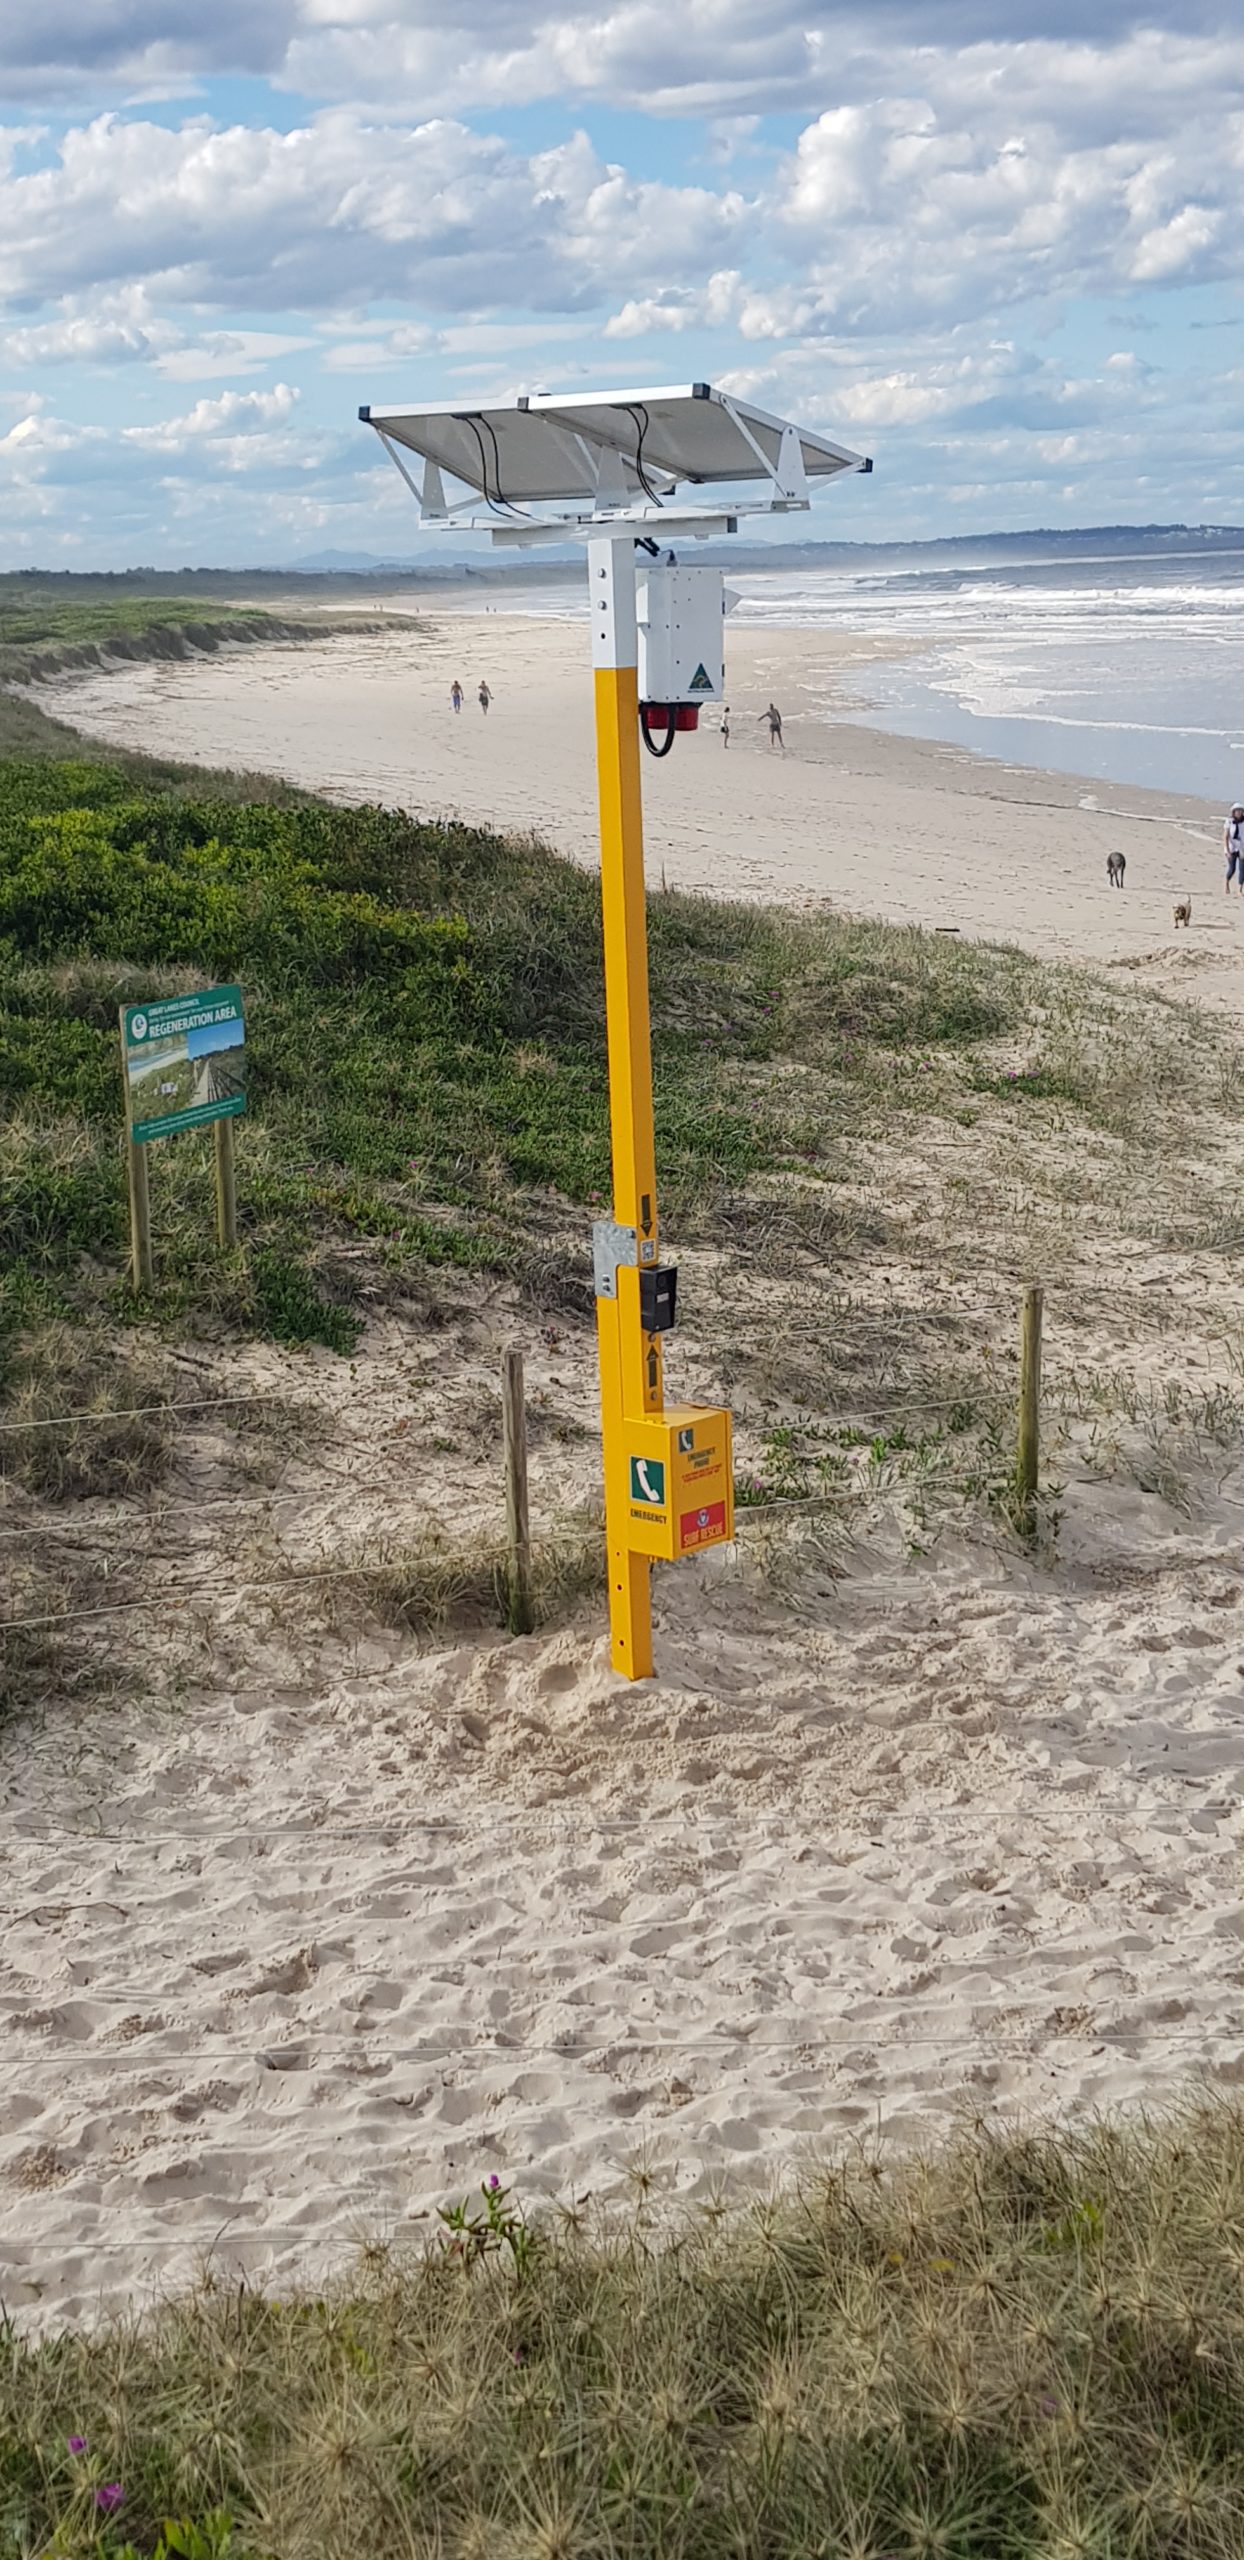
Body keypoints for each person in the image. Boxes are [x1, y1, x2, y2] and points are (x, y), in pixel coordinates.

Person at [1225, 804, 1244, 893]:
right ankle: (1227, 883)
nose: (1239, 812)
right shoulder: (1229, 822)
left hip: (1242, 848)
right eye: (1237, 811)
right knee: (1232, 869)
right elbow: (1226, 836)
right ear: (1233, 812)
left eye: (1240, 810)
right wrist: (1227, 850)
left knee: (1242, 869)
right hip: (1232, 848)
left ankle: (1240, 889)